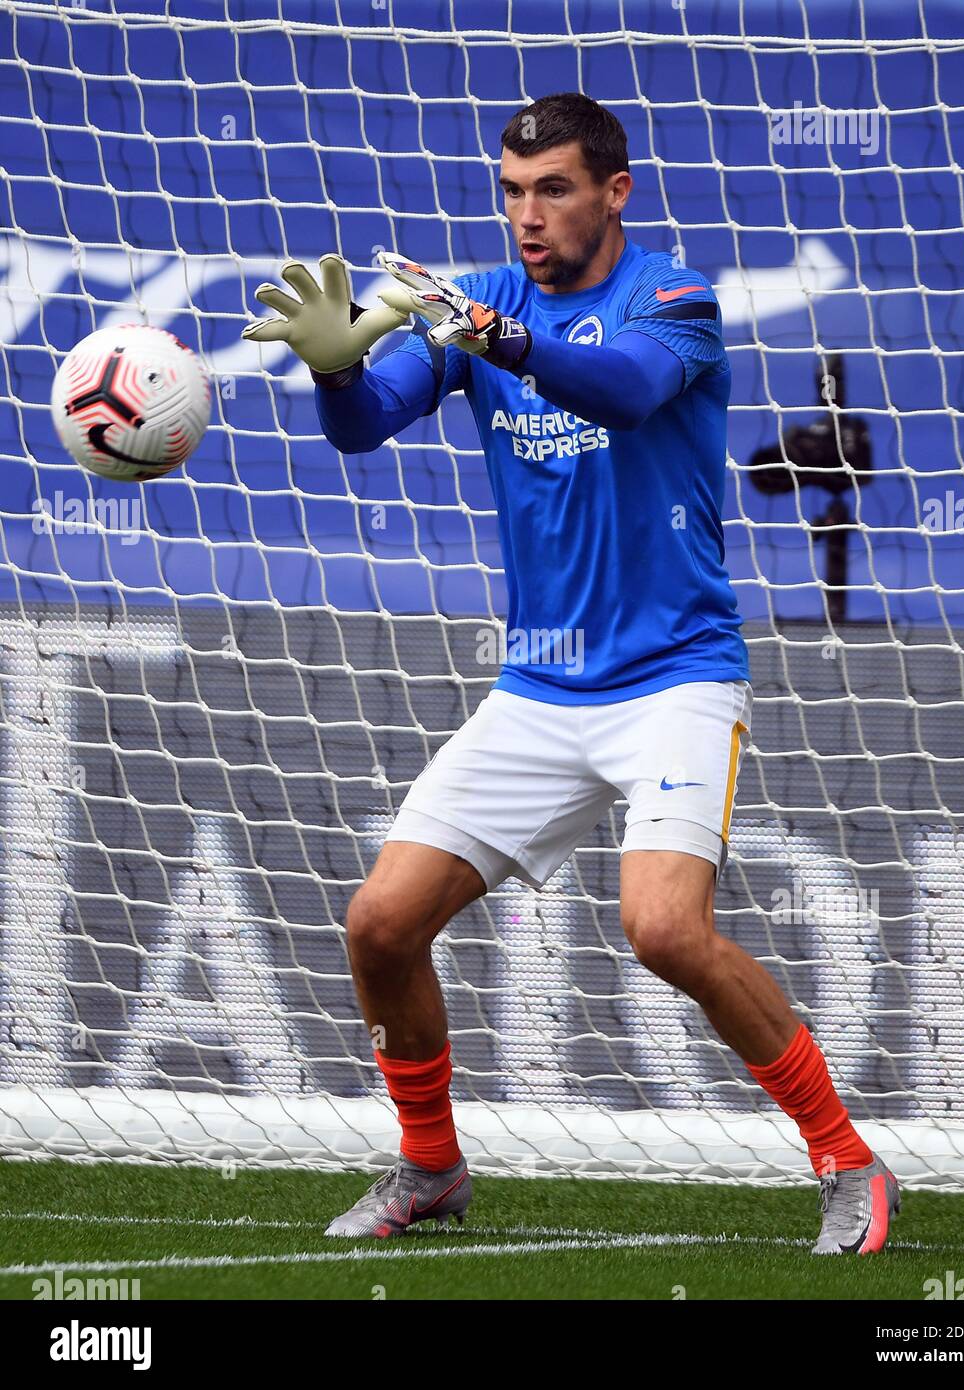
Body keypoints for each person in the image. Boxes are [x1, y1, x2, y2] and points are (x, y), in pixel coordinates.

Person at [243, 91, 900, 1254]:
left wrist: (488, 336)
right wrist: (337, 370)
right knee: (379, 926)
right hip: (540, 690)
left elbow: (623, 389)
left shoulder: (672, 299)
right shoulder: (480, 302)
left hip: (674, 680)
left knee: (661, 930)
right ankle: (429, 1167)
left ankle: (845, 1155)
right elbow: (365, 426)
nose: (525, 215)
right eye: (509, 191)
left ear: (613, 192)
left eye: (550, 189)